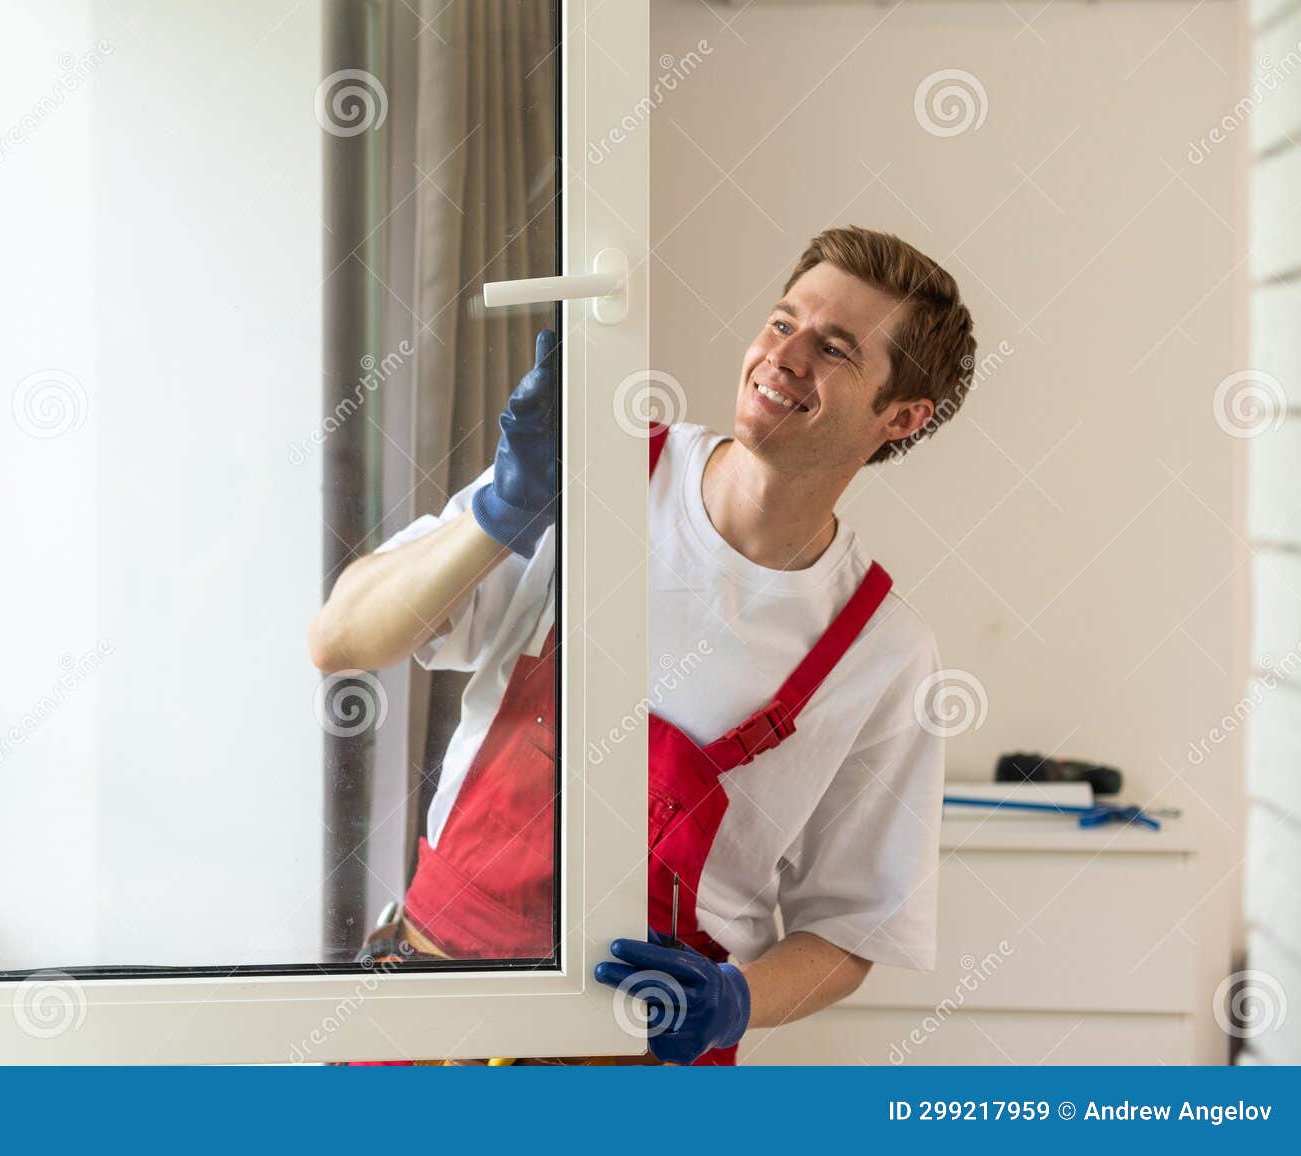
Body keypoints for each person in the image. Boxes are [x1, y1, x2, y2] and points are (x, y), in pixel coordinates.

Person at [308, 224, 977, 1065]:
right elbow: (339, 639)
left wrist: (739, 1001)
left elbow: (850, 932)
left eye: (836, 349)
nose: (787, 356)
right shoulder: (601, 472)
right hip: (435, 1019)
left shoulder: (883, 652)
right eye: (782, 322)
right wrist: (503, 511)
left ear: (902, 416)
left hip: (633, 1071)